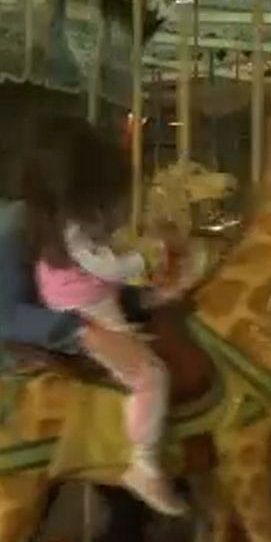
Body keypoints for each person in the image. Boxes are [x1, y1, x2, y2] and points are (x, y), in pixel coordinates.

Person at [28, 118, 186, 517]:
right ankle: (144, 465)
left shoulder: (68, 219)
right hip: (85, 308)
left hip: (90, 298)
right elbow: (105, 267)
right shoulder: (74, 227)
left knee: (155, 315)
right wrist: (144, 256)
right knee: (151, 375)